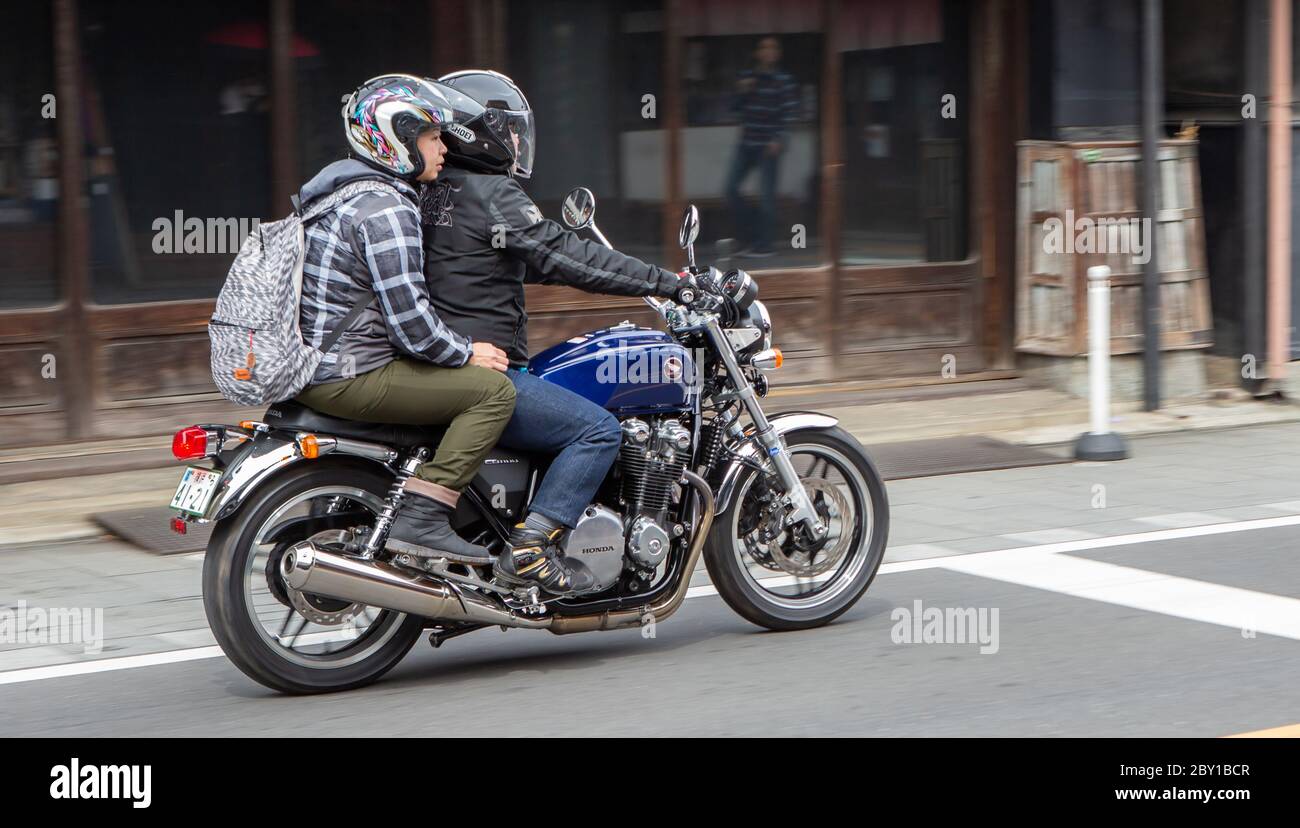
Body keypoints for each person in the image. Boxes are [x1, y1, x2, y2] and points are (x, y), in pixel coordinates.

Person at [422, 69, 696, 596]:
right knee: (598, 429)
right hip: (480, 373)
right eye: (508, 129)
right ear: (477, 131)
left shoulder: (435, 192)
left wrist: (571, 263)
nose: (517, 141)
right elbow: (567, 256)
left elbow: (517, 259)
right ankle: (531, 549)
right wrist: (669, 283)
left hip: (436, 367)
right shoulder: (493, 193)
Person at [293, 74, 516, 564]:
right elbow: (411, 322)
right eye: (432, 137)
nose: (443, 149)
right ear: (397, 141)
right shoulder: (388, 208)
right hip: (349, 373)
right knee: (494, 393)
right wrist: (468, 353)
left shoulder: (340, 192)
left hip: (313, 366)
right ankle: (424, 517)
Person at [726, 36, 799, 258]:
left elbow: (789, 113)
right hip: (746, 144)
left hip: (768, 146)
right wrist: (741, 91)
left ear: (777, 54)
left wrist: (779, 139)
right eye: (764, 48)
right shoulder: (747, 78)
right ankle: (749, 238)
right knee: (730, 190)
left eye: (773, 48)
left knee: (767, 198)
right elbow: (733, 107)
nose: (768, 52)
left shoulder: (783, 81)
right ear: (758, 53)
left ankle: (765, 245)